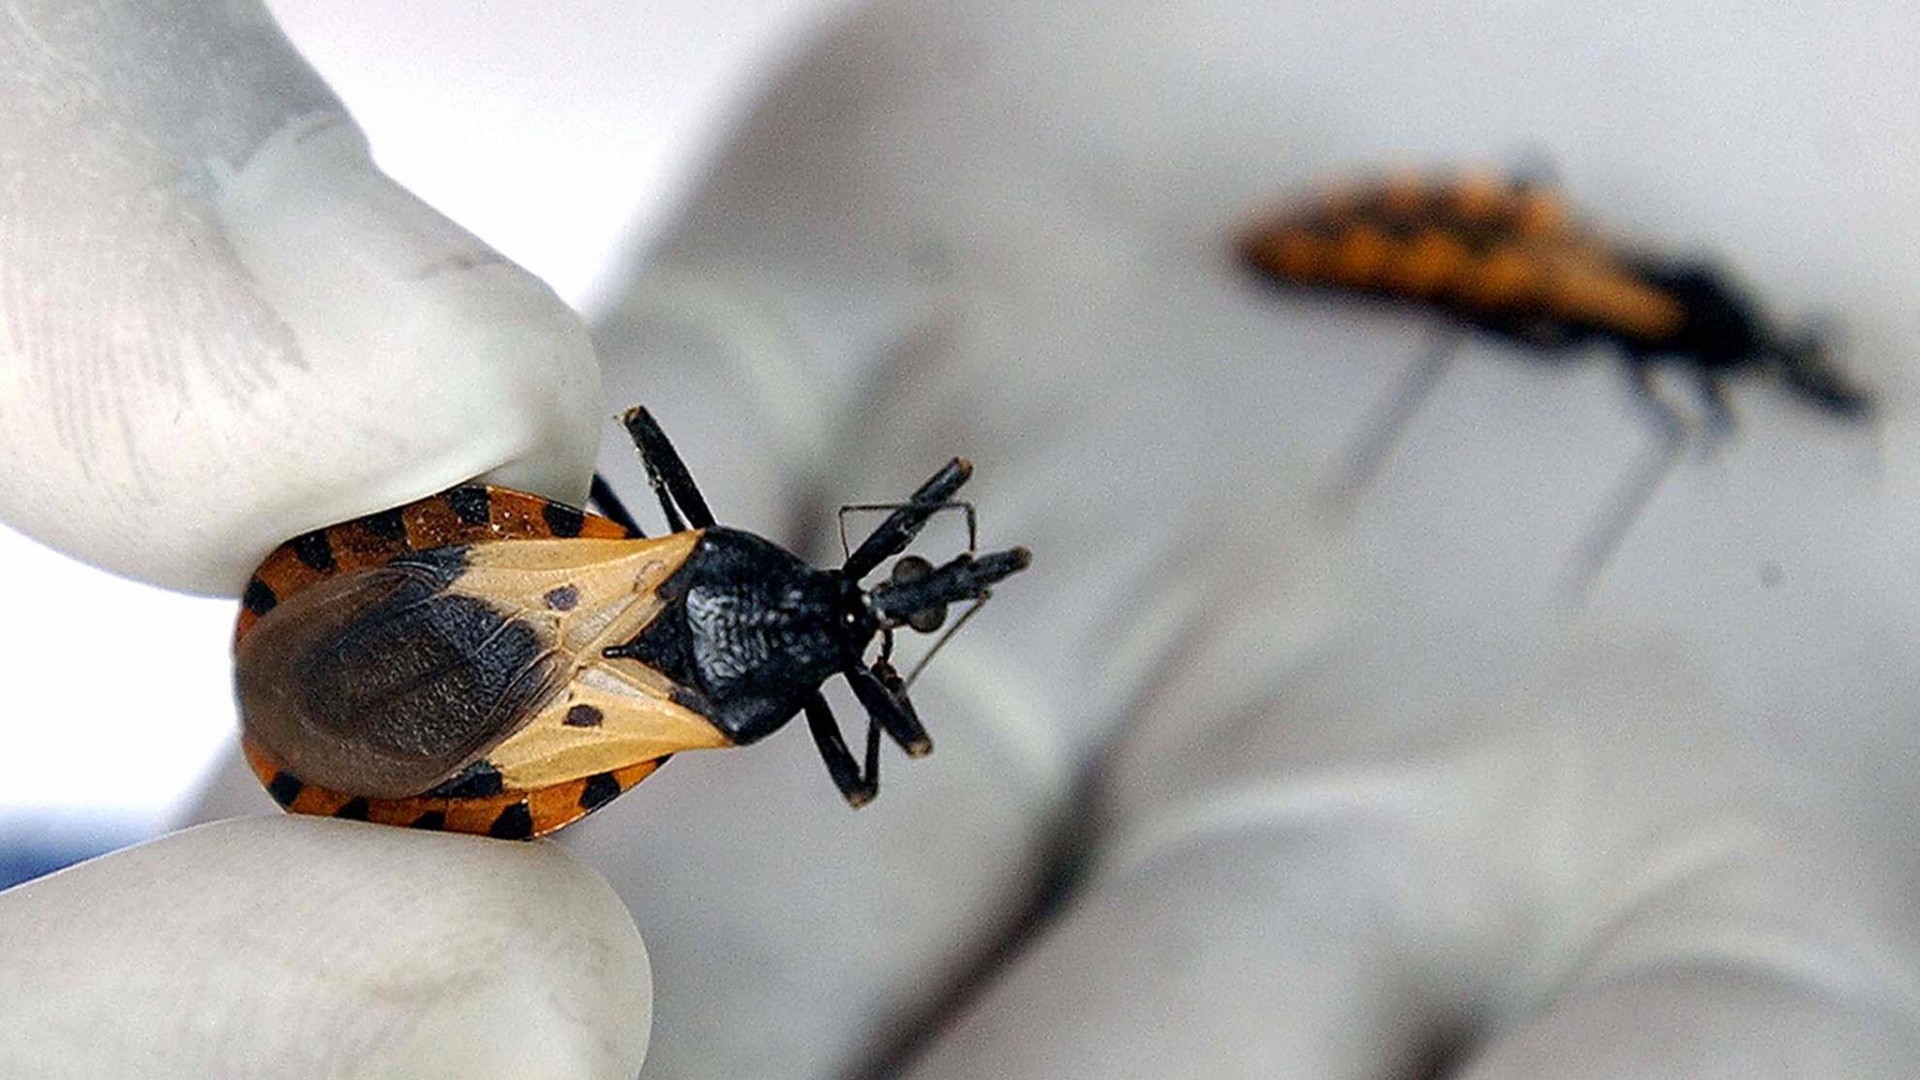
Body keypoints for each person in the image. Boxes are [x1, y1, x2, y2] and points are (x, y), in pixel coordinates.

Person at [6, 1, 1919, 1076]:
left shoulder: (740, 602)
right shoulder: (781, 668)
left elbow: (748, 544)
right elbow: (851, 656)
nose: (891, 589)